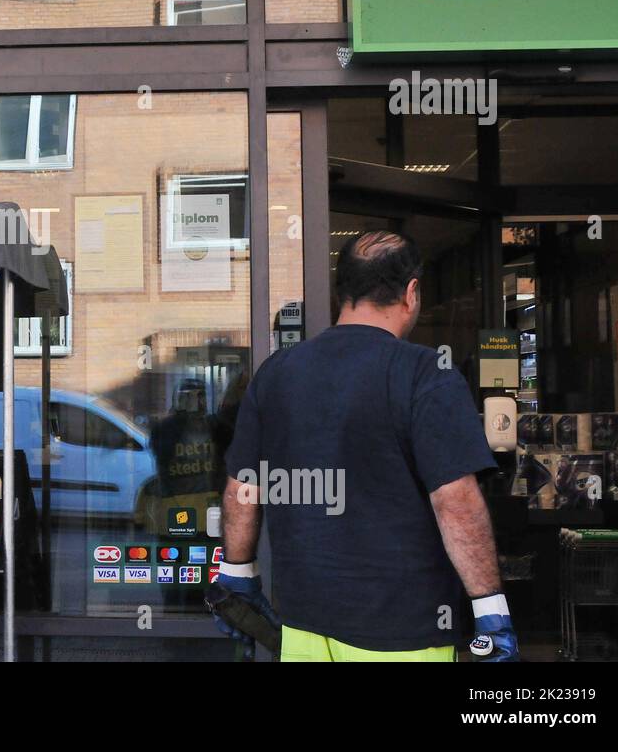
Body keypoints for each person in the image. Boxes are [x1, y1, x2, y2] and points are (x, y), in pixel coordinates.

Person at [210, 231, 518, 661]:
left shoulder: (277, 373)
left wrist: (238, 575)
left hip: (303, 624)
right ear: (411, 293)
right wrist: (490, 608)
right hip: (402, 633)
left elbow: (243, 490)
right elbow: (456, 501)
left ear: (343, 292)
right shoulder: (425, 374)